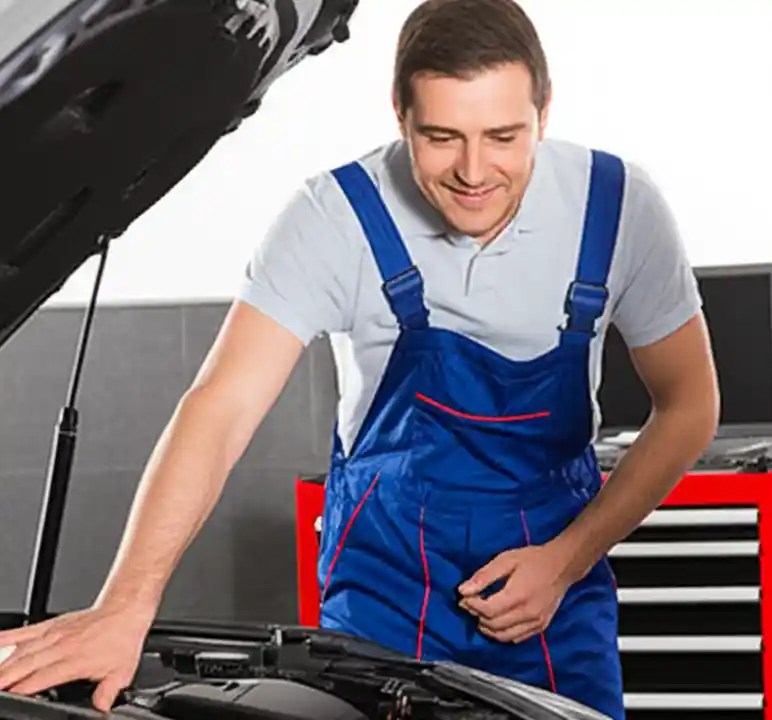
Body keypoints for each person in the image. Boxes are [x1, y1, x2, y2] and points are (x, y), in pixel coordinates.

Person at [0, 0, 720, 717]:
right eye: (441, 137)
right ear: (399, 113)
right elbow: (221, 407)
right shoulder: (333, 218)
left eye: (503, 135)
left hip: (556, 598)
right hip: (385, 598)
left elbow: (690, 405)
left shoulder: (618, 206)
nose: (474, 171)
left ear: (545, 110)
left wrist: (568, 559)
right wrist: (125, 607)